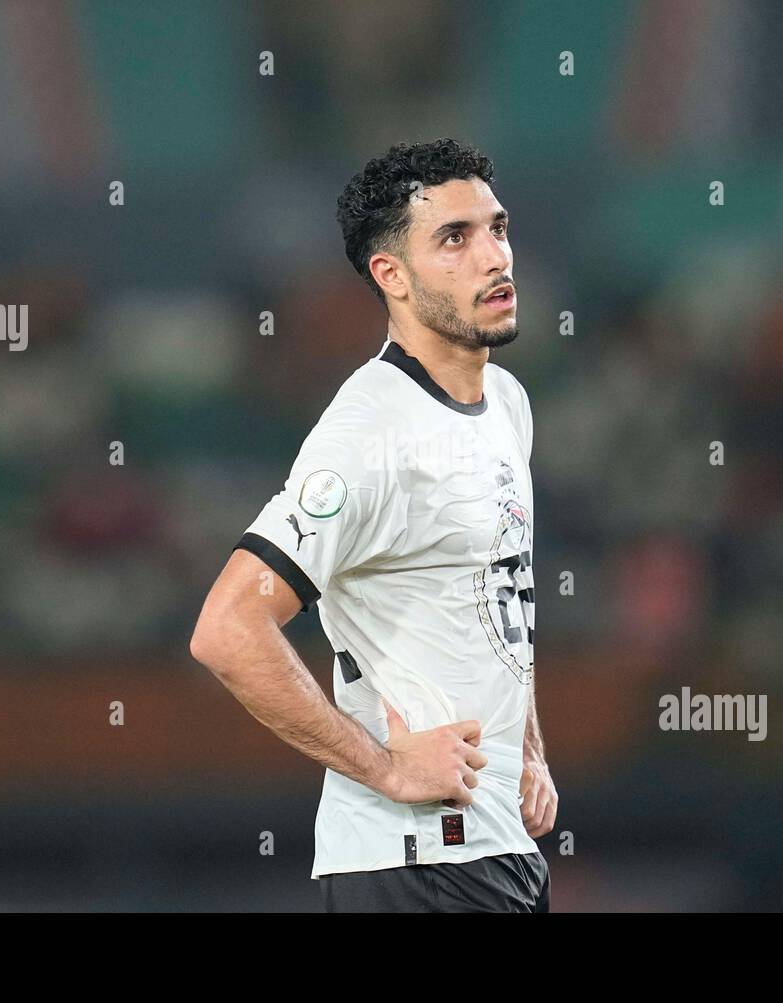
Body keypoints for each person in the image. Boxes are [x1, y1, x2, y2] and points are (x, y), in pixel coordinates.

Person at [189, 138, 556, 912]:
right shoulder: (369, 435)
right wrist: (389, 768)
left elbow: (493, 595)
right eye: (454, 238)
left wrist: (527, 745)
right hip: (412, 862)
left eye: (497, 226)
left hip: (491, 848)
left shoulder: (508, 404)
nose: (494, 256)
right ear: (390, 275)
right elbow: (227, 627)